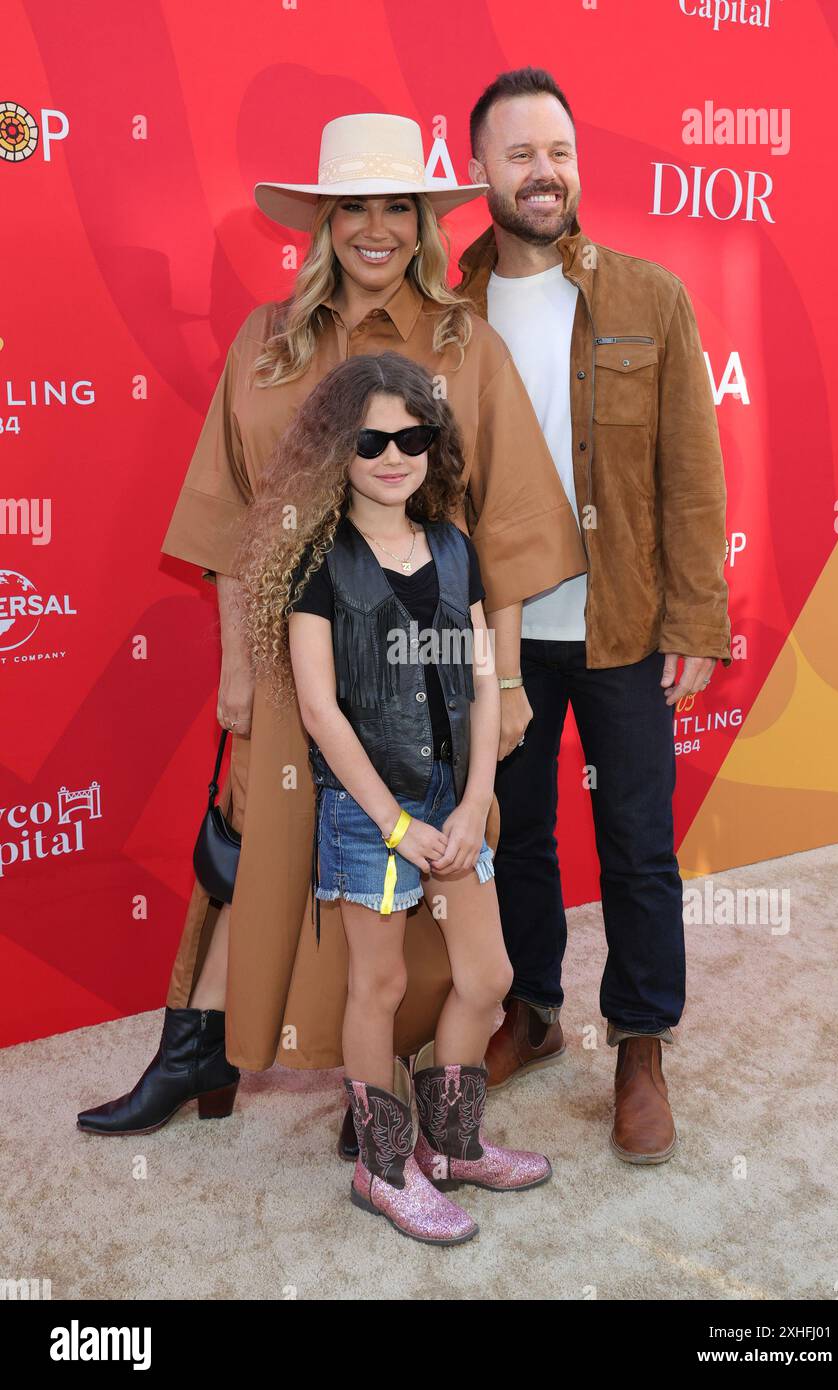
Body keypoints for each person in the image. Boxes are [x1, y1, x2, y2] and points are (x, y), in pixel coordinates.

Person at [76, 112, 587, 1142]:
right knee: (260, 855)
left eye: (396, 205)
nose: (376, 227)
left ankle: (388, 1088)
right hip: (288, 656)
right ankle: (201, 1054)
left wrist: (514, 676)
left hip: (422, 659)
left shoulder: (461, 345)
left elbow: (508, 520)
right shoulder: (266, 343)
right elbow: (226, 516)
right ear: (323, 221)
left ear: (421, 222)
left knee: (423, 872)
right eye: (354, 205)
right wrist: (233, 667)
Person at [454, 69, 732, 1162]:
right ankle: (530, 1010)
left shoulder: (648, 298)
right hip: (499, 638)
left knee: (635, 845)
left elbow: (692, 477)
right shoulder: (447, 309)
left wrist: (698, 619)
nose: (544, 172)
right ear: (479, 168)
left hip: (619, 625)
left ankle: (641, 1043)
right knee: (514, 838)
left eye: (558, 151)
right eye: (520, 154)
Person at [259, 349, 551, 1243]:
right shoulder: (318, 560)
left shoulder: (455, 548)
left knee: (490, 976)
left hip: (451, 798)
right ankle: (383, 1169)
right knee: (378, 985)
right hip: (364, 811)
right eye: (371, 439)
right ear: (335, 450)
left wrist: (471, 806)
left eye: (412, 436)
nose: (394, 454)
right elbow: (318, 707)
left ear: (436, 445)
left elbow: (480, 683)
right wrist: (393, 823)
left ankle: (453, 1145)